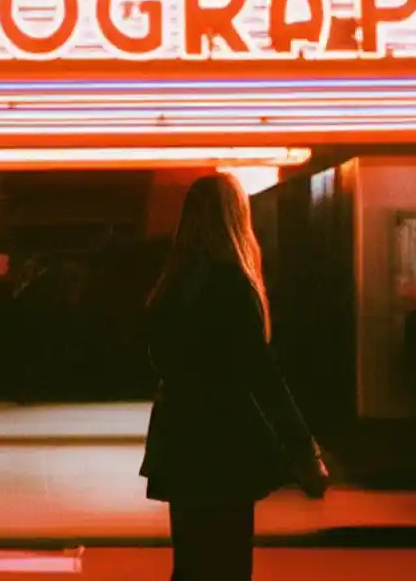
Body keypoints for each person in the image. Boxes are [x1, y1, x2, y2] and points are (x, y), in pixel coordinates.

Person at [140, 172, 329, 581]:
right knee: (228, 564)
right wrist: (304, 450)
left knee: (190, 564)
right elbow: (262, 377)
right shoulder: (232, 284)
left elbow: (160, 358)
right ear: (235, 217)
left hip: (179, 437)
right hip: (223, 445)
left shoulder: (171, 286)